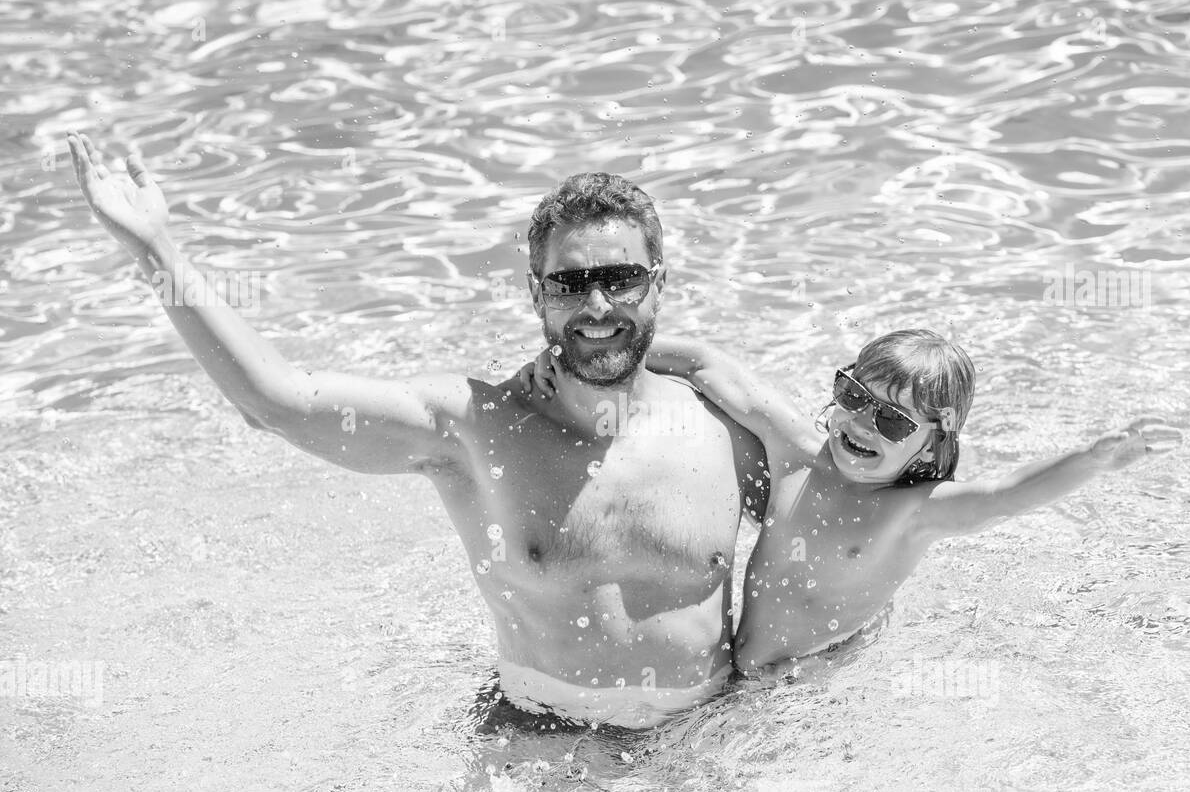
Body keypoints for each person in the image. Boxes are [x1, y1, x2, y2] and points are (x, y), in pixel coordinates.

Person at [66, 132, 767, 727]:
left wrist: (712, 364)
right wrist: (156, 250)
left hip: (699, 747)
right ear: (535, 294)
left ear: (660, 281)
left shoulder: (723, 429)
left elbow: (854, 501)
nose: (598, 304)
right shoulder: (476, 429)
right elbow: (272, 402)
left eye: (621, 278)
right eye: (568, 284)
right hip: (542, 755)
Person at [518, 328, 1182, 672]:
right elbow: (702, 364)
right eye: (854, 396)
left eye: (893, 422)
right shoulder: (798, 453)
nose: (862, 423)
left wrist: (1096, 458)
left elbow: (1009, 496)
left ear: (930, 444)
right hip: (745, 663)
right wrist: (581, 363)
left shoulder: (911, 514)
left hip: (809, 675)